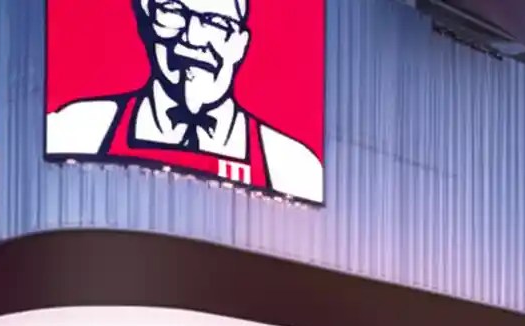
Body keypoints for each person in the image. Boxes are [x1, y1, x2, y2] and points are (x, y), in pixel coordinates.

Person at [44, 0, 324, 204]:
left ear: (239, 44)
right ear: (147, 21)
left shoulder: (291, 166)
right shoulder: (78, 131)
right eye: (173, 12)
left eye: (216, 23)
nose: (193, 38)